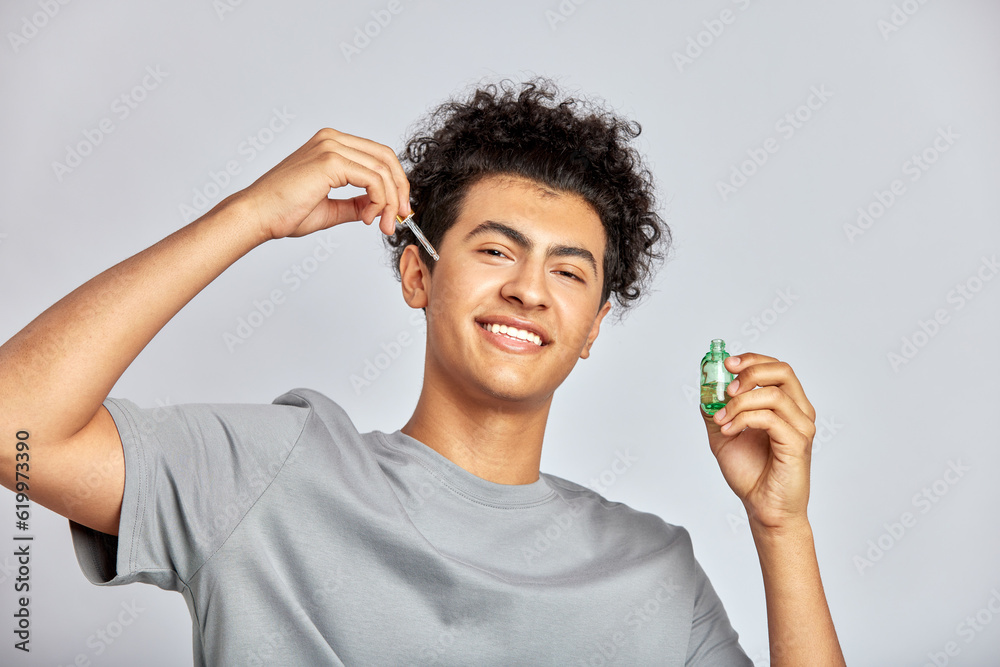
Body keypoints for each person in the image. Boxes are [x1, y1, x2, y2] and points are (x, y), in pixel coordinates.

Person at [0, 78, 845, 665]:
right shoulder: (268, 470)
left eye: (569, 271)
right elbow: (15, 428)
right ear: (418, 276)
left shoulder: (652, 572)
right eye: (494, 249)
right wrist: (249, 215)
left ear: (591, 328)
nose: (527, 289)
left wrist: (782, 529)